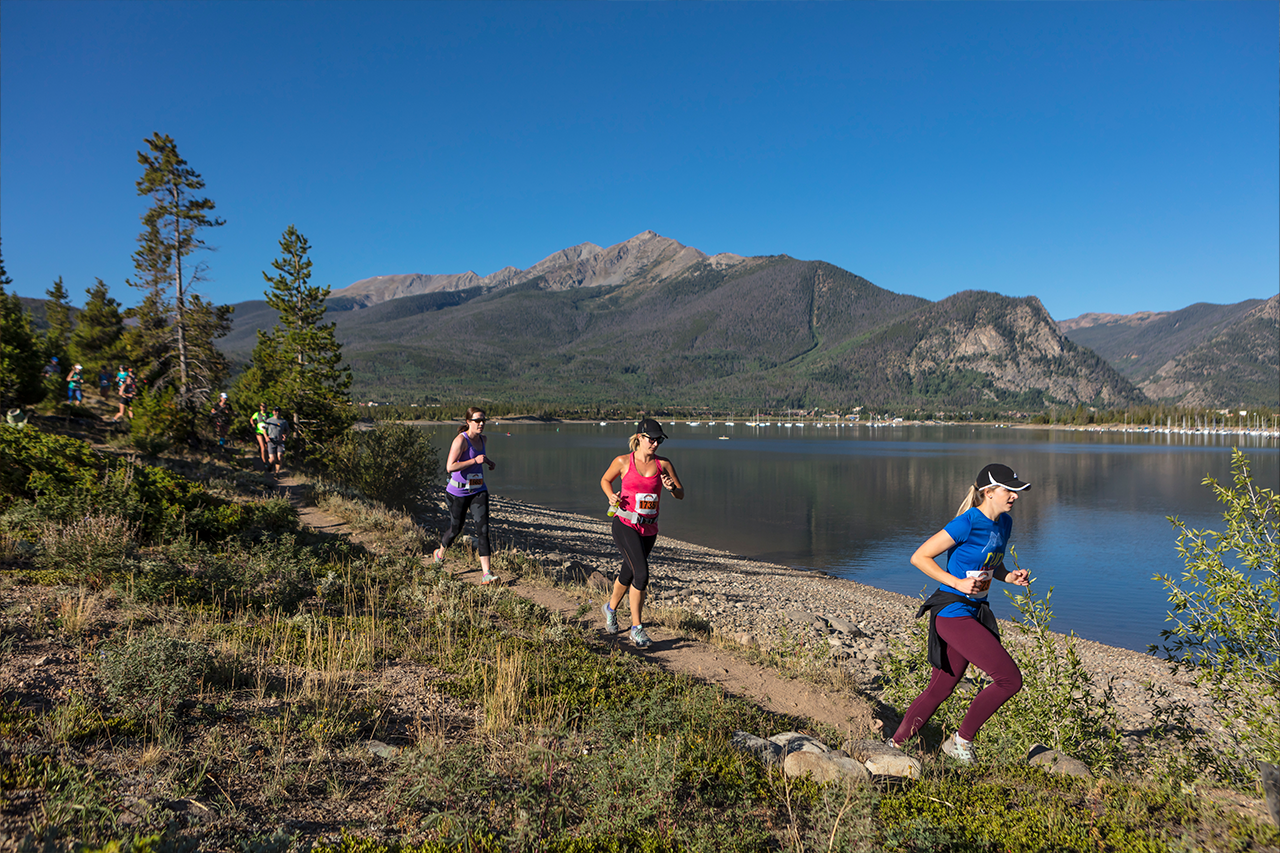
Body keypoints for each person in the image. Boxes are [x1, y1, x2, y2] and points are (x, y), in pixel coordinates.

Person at [888, 463, 1032, 764]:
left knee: (940, 688)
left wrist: (1008, 577)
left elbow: (991, 564)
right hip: (952, 614)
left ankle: (894, 746)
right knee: (1009, 679)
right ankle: (961, 741)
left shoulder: (1004, 524)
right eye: (1010, 490)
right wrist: (957, 582)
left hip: (974, 611)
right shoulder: (967, 523)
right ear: (989, 492)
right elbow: (919, 556)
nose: (1015, 496)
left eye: (1017, 491)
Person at [599, 418, 685, 649]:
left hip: (649, 529)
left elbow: (681, 494)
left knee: (628, 574)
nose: (655, 443)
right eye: (651, 439)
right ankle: (637, 629)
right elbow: (605, 480)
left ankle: (610, 608)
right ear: (639, 438)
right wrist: (611, 496)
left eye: (659, 440)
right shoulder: (623, 461)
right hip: (625, 524)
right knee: (642, 574)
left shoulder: (663, 465)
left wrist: (671, 488)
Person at [432, 408, 499, 584]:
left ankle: (487, 574)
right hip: (457, 493)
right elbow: (450, 467)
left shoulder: (483, 439)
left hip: (478, 490)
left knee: (483, 530)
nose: (481, 424)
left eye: (484, 420)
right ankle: (439, 554)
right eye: (477, 421)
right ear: (468, 421)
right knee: (456, 528)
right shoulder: (461, 441)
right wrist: (474, 461)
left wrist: (488, 461)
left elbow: (480, 457)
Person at [262, 407, 289, 474]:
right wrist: (266, 437)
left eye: (279, 411)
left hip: (280, 442)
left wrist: (285, 436)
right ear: (273, 412)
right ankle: (270, 466)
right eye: (276, 411)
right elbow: (264, 430)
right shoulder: (269, 420)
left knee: (279, 457)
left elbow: (288, 430)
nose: (277, 413)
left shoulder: (283, 421)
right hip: (271, 441)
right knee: (272, 459)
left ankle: (277, 473)